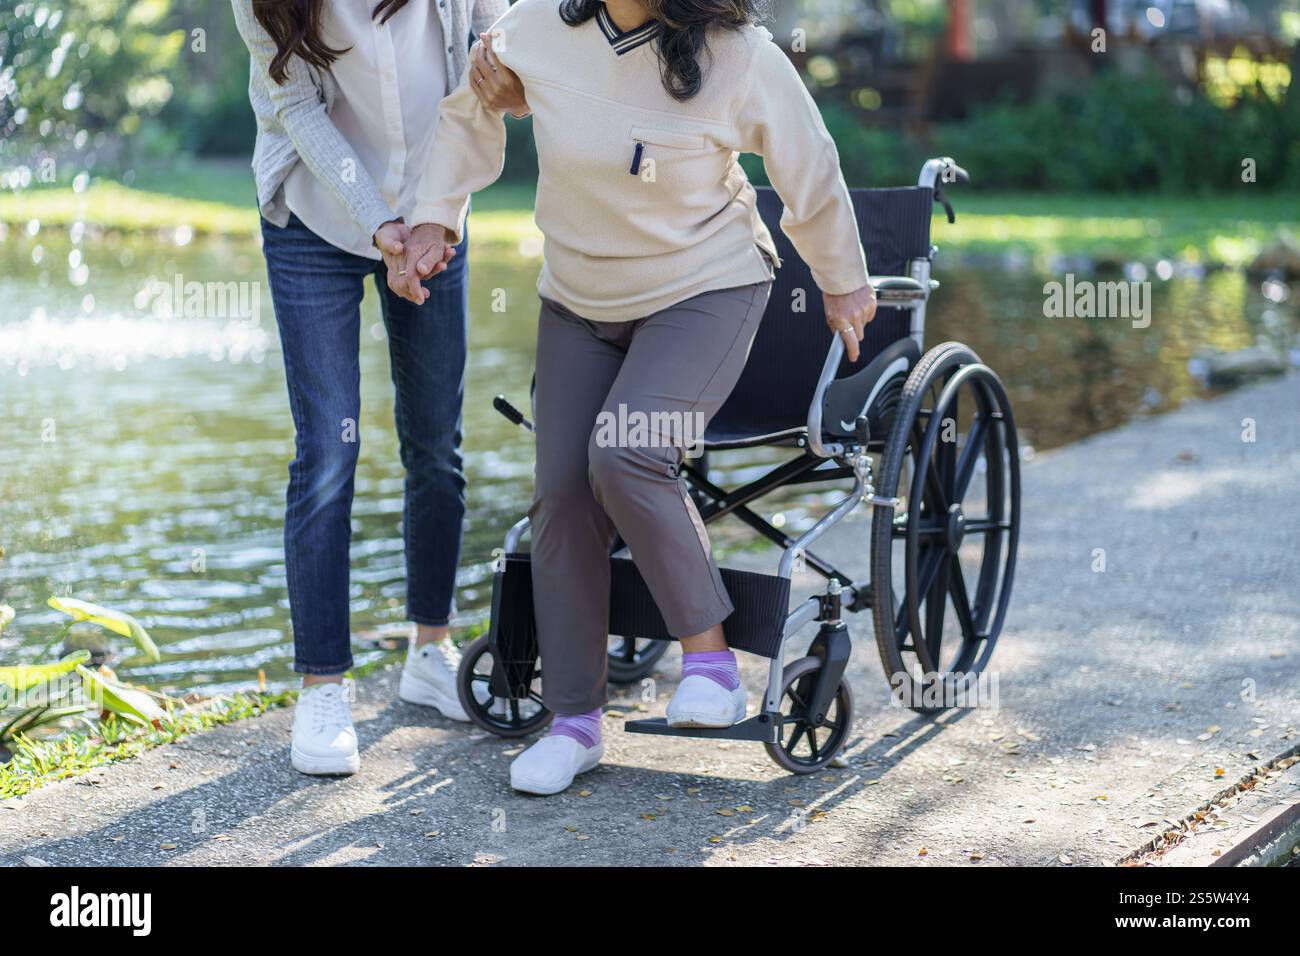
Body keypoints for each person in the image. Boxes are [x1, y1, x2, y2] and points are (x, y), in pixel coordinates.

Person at [396, 0, 877, 795]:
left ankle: (711, 665)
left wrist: (843, 279)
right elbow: (468, 115)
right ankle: (575, 724)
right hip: (578, 299)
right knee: (559, 498)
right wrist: (434, 221)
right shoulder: (534, 28)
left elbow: (809, 163)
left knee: (626, 452)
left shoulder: (739, 54)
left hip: (705, 288)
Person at [231, 0, 527, 776]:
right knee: (326, 452)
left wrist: (436, 219)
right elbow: (294, 106)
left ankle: (430, 648)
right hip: (314, 219)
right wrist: (378, 223)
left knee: (435, 444)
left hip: (435, 210)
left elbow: (489, 79)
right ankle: (324, 685)